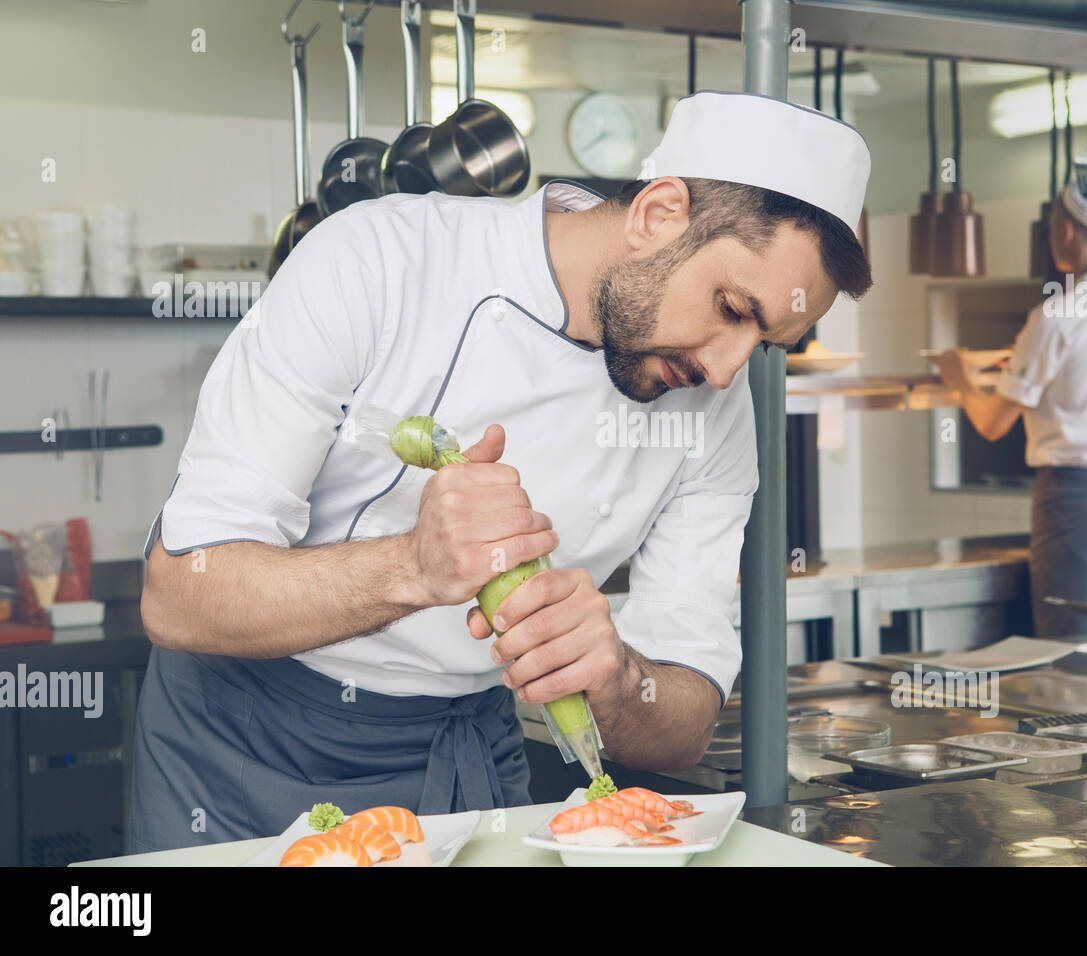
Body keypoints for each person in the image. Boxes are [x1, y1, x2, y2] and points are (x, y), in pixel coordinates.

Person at [129, 91, 872, 851]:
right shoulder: (379, 261)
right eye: (731, 307)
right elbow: (180, 595)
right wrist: (412, 569)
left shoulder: (716, 409)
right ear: (657, 214)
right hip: (245, 755)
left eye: (766, 344)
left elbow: (683, 724)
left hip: (466, 757)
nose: (725, 371)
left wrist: (618, 679)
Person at [934, 181, 1087, 638]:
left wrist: (959, 377)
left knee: (1076, 654)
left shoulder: (1058, 317)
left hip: (1080, 509)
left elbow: (991, 423)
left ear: (1065, 231)